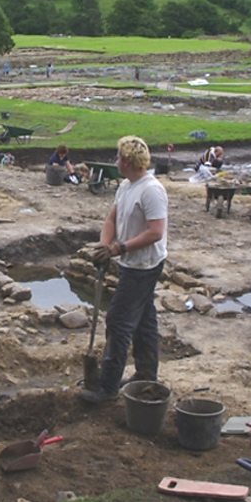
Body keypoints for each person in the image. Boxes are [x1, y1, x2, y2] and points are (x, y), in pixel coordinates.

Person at [80, 136, 169, 404]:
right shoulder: (126, 186)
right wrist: (104, 246)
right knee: (143, 321)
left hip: (145, 265)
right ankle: (146, 376)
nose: (115, 161)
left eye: (118, 157)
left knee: (118, 321)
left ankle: (107, 388)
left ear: (128, 161)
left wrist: (119, 248)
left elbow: (155, 232)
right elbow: (111, 218)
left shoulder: (151, 191)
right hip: (131, 262)